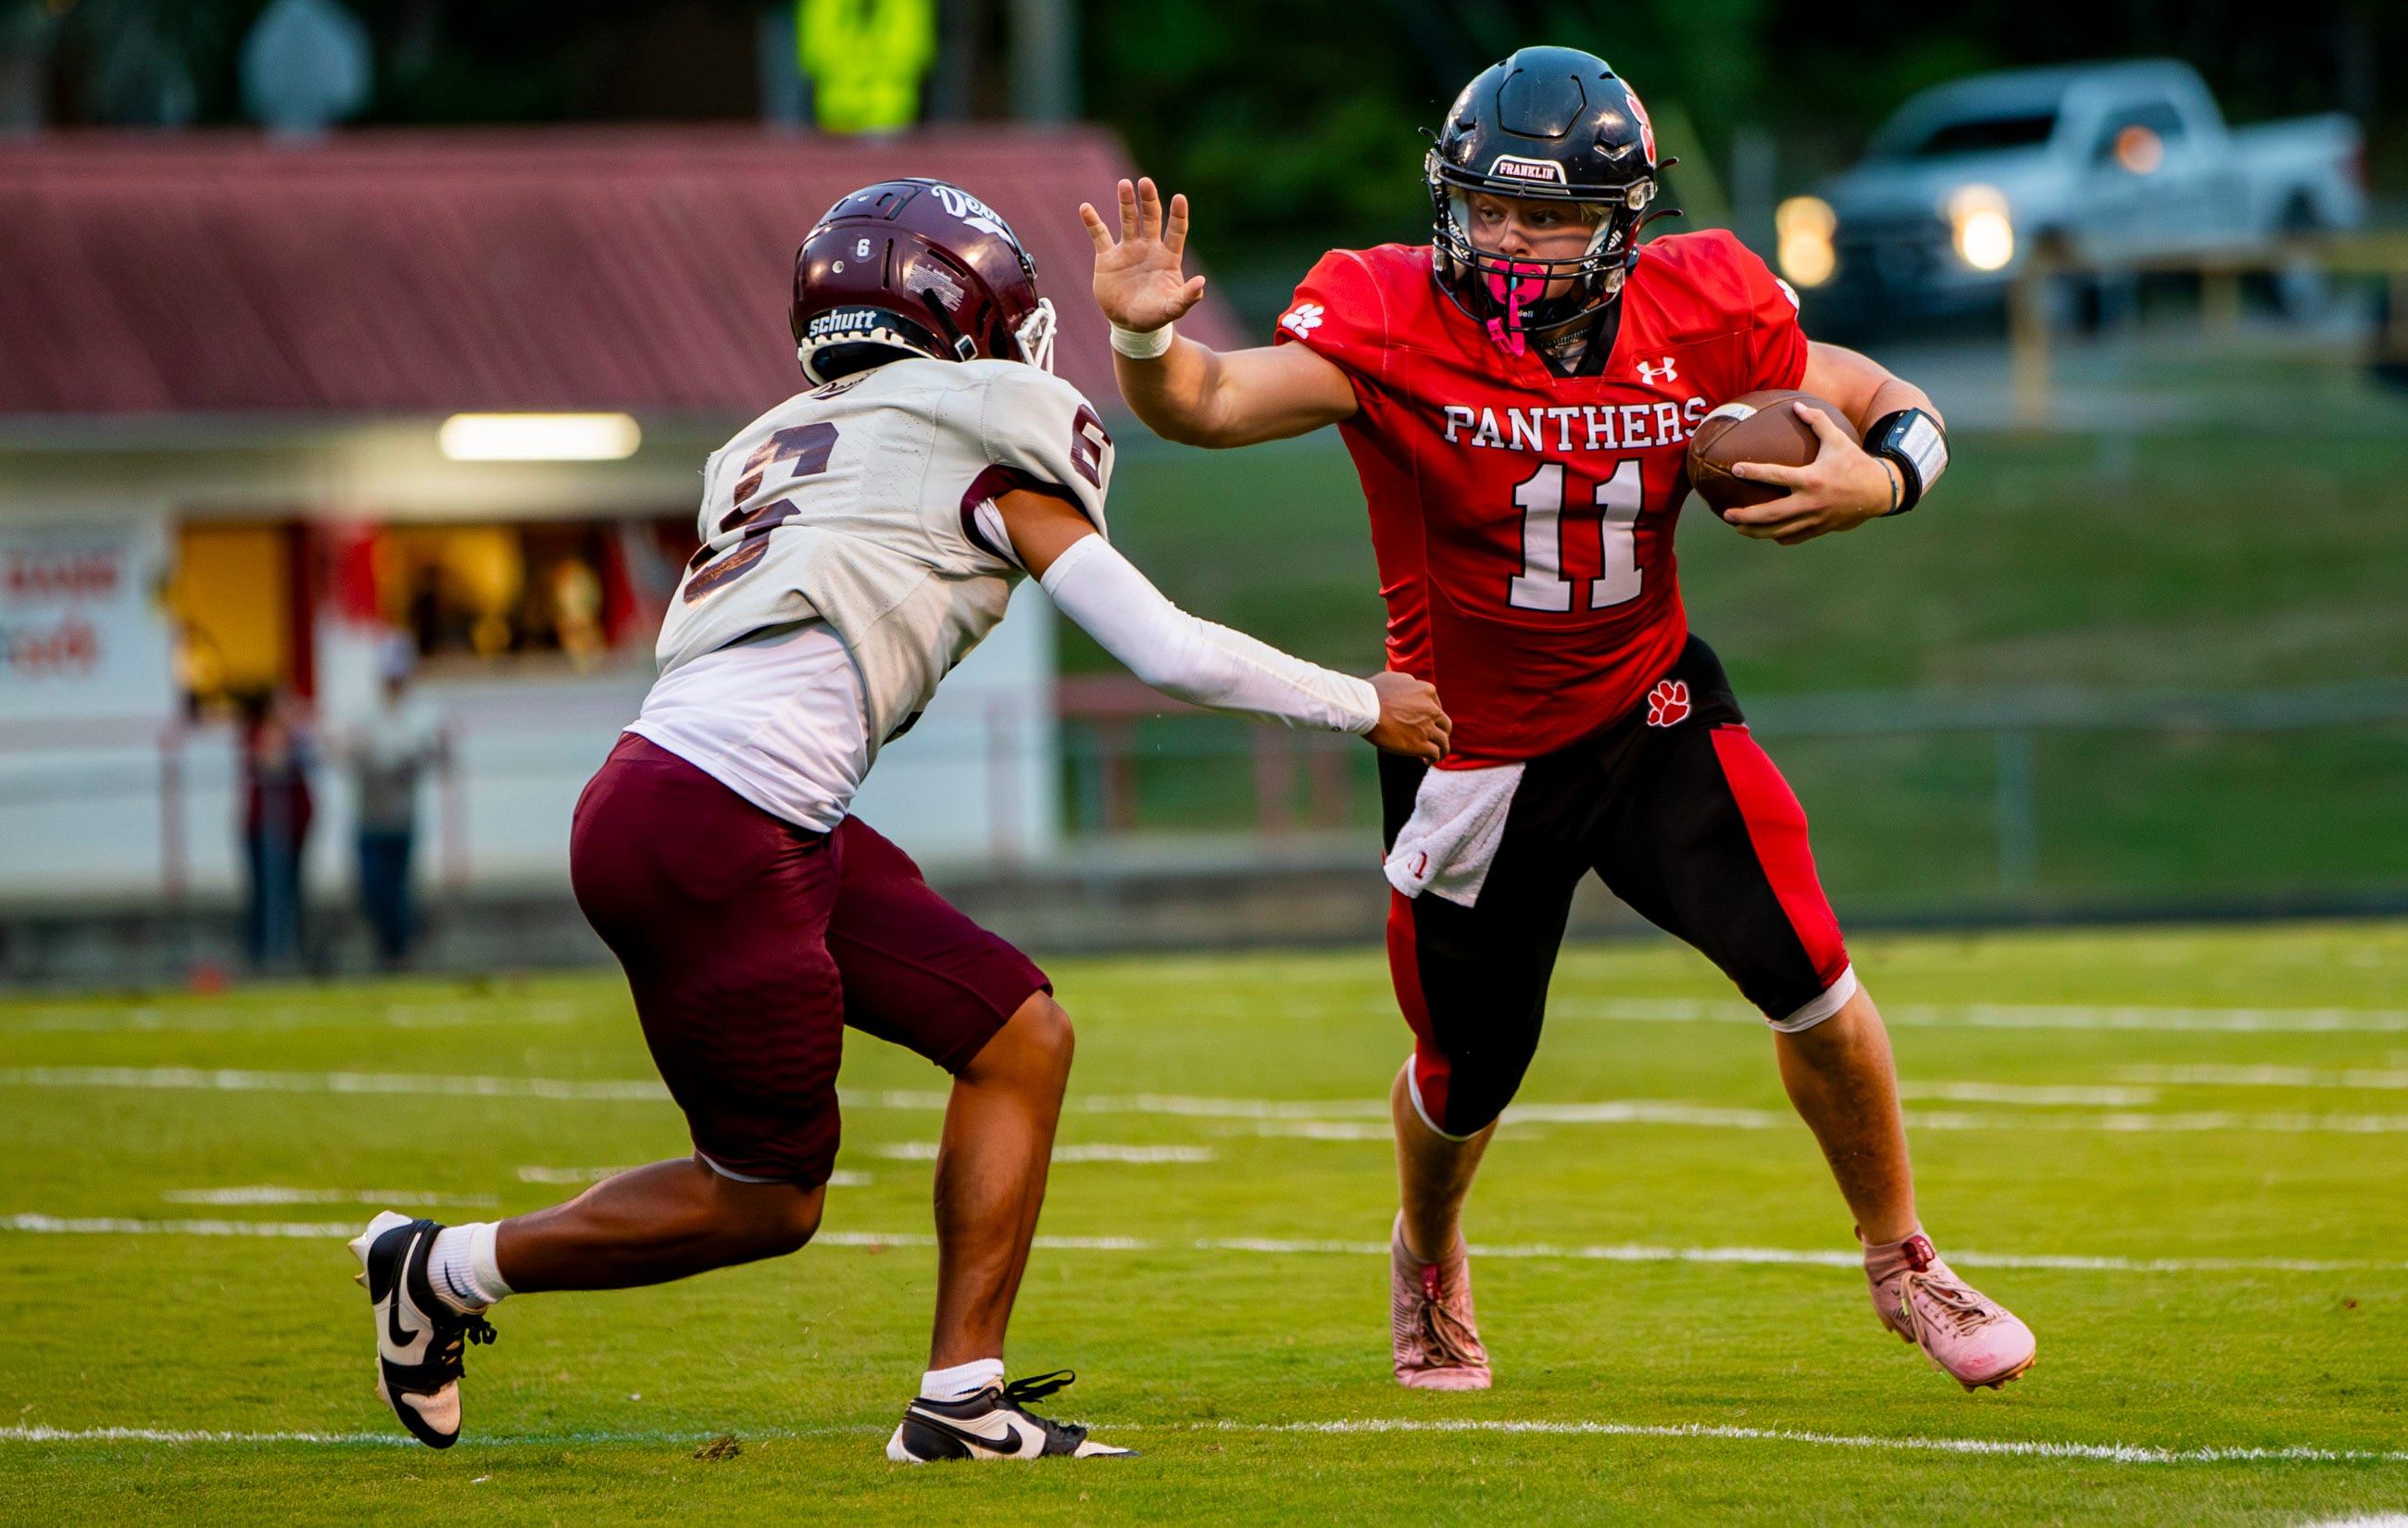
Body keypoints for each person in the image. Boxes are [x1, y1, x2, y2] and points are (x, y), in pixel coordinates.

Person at [348, 177, 1449, 1461]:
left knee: (1018, 1032)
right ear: (967, 314)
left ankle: (960, 1400)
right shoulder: (981, 432)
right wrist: (1360, 702)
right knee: (766, 1200)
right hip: (721, 818)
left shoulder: (779, 444)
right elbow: (1166, 648)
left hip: (722, 803)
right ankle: (441, 1267)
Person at [1083, 46, 2033, 1395]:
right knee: (1468, 1072)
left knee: (1810, 967)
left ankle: (1904, 1262)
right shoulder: (1388, 313)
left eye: (1552, 215)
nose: (1514, 239)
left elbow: (1890, 398)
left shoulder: (1703, 305)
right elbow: (1210, 403)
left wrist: (1882, 485)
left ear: (1624, 222)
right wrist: (1143, 339)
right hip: (1466, 747)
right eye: (1492, 207)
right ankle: (1427, 1245)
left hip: (1648, 707)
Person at [345, 634, 446, 969]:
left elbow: (430, 754)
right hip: (369, 816)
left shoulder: (419, 714)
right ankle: (386, 946)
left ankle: (399, 952)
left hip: (401, 818)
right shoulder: (364, 712)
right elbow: (350, 752)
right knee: (373, 889)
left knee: (399, 891)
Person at [237, 686, 314, 971]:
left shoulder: (299, 736)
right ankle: (265, 956)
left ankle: (291, 952)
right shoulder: (258, 734)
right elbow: (270, 764)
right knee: (265, 892)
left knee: (293, 892)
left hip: (294, 827)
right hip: (265, 827)